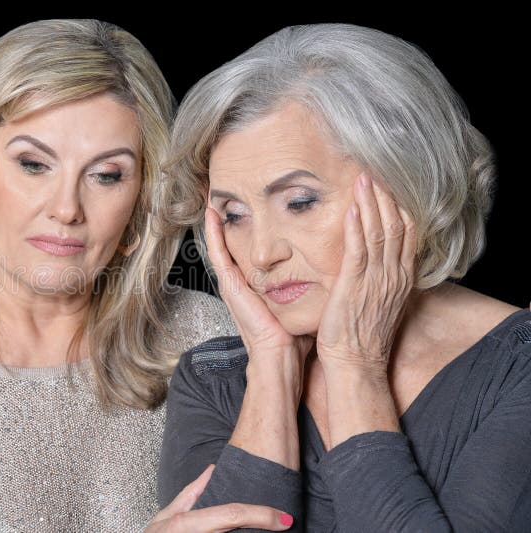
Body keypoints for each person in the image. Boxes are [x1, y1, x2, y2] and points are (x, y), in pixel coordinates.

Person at [0, 18, 298, 532]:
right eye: (33, 164)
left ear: (141, 203)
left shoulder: (208, 336)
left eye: (106, 175)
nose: (67, 209)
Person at [157, 22, 531, 531]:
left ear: (406, 183)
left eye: (300, 202)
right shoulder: (213, 380)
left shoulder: (518, 372)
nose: (262, 254)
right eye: (234, 215)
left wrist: (355, 368)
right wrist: (271, 371)